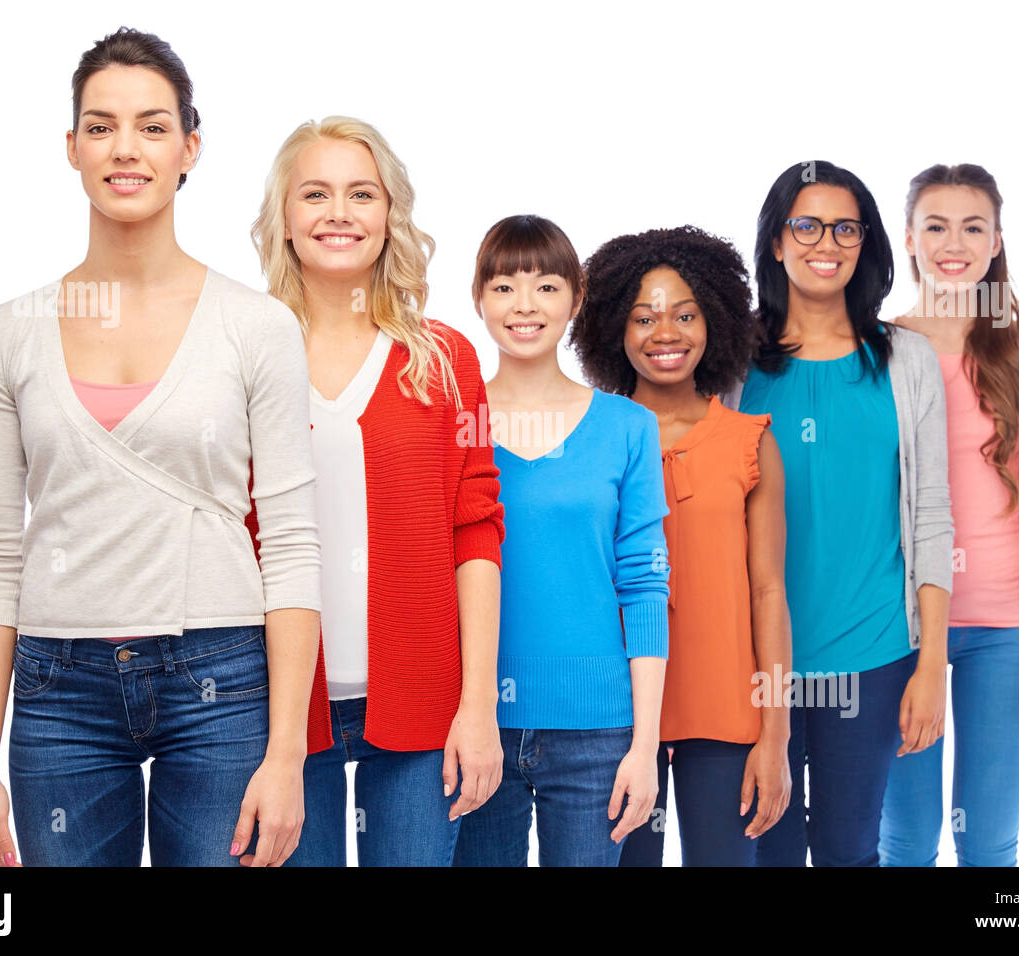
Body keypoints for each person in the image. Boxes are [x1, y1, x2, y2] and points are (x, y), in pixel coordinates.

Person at [0, 27, 322, 868]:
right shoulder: (3, 336)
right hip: (56, 688)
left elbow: (294, 543)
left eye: (154, 127)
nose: (127, 149)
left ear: (191, 147)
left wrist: (287, 752)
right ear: (74, 148)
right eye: (102, 126)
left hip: (222, 677)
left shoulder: (257, 326)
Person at [249, 117, 505, 866]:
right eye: (316, 194)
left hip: (426, 705)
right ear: (284, 219)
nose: (339, 213)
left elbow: (477, 531)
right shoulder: (246, 353)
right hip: (281, 708)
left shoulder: (446, 359)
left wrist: (479, 705)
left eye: (362, 194)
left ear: (390, 214)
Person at [737, 161, 953, 867]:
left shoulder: (906, 360)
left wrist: (931, 666)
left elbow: (929, 517)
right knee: (761, 847)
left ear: (864, 243)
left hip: (873, 656)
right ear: (775, 240)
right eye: (805, 224)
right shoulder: (733, 360)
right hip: (754, 659)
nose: (824, 241)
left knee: (849, 851)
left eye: (844, 227)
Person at [451, 214, 669, 866]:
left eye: (546, 287)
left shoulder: (629, 427)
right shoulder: (455, 426)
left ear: (575, 299)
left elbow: (645, 585)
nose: (525, 306)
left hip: (600, 732)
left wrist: (645, 744)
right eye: (504, 287)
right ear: (479, 300)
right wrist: (470, 710)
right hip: (477, 720)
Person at [571, 225, 792, 867]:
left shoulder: (752, 440)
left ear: (714, 322)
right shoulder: (593, 436)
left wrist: (775, 733)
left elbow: (769, 592)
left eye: (685, 314)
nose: (665, 333)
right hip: (616, 713)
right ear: (614, 328)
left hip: (725, 712)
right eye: (643, 317)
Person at [880, 163, 1019, 867]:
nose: (952, 242)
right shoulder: (879, 351)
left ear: (996, 241)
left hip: (1011, 632)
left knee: (988, 842)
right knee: (904, 840)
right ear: (909, 237)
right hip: (897, 629)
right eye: (935, 225)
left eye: (972, 226)